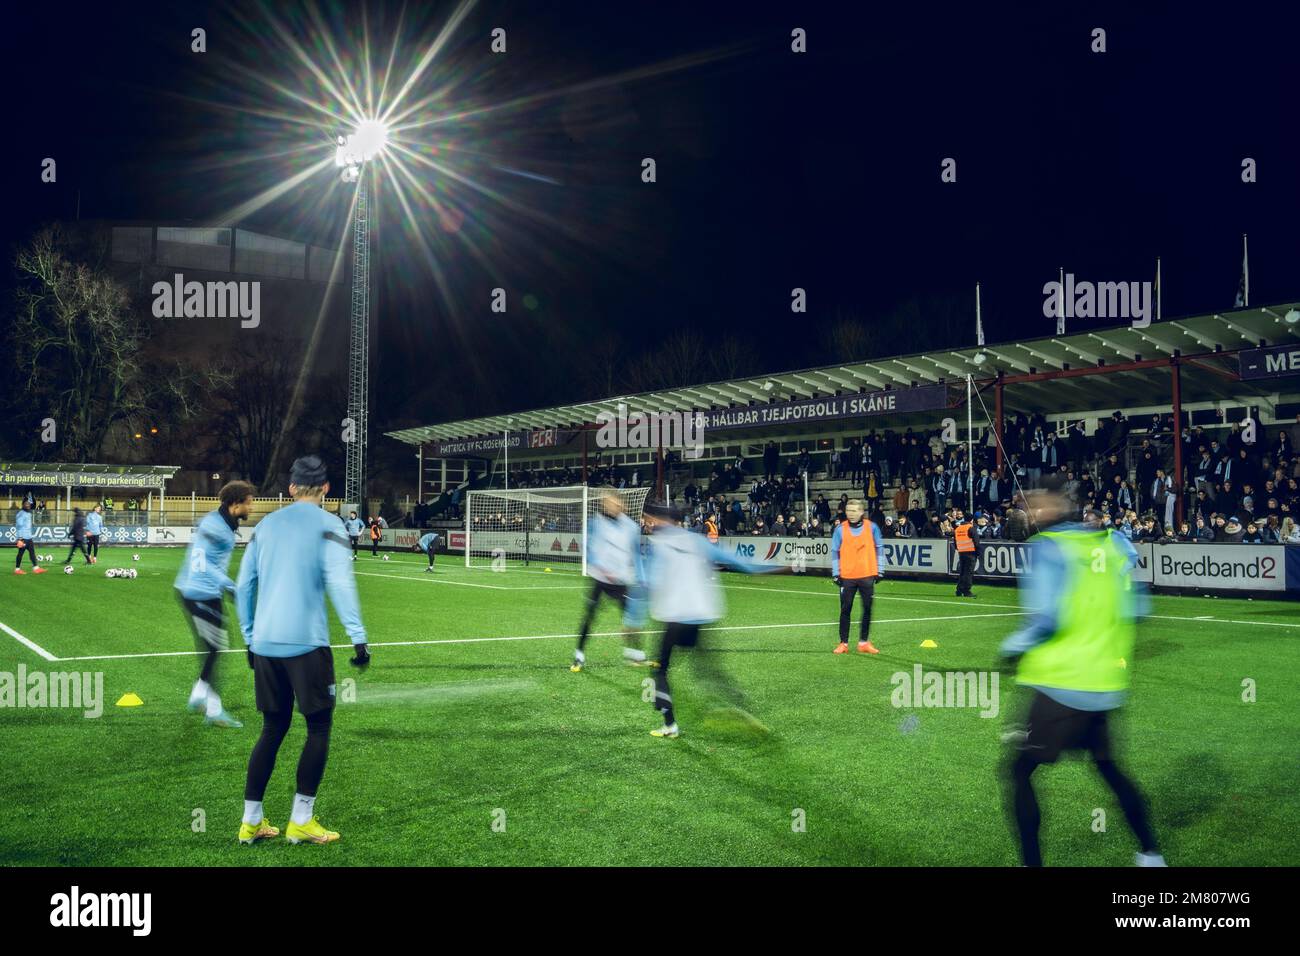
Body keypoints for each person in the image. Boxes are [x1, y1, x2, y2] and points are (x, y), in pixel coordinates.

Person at [999, 493, 1164, 867]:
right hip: (1105, 684)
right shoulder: (1111, 543)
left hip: (1061, 682)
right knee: (1108, 767)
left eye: (1036, 505)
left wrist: (1012, 646)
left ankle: (1032, 863)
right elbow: (1138, 607)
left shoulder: (1049, 547)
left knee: (1019, 770)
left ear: (1052, 508)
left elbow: (1047, 618)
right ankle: (1151, 854)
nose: (1031, 512)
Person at [235, 456, 369, 846]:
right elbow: (341, 583)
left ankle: (250, 822)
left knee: (272, 728)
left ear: (291, 489)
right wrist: (358, 637)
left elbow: (244, 585)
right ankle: (301, 820)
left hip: (264, 644)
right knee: (319, 727)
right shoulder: (331, 524)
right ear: (326, 489)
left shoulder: (267, 524)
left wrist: (249, 637)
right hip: (307, 645)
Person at [640, 502, 777, 738]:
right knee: (708, 670)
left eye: (653, 519)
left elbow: (648, 582)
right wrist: (762, 570)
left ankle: (669, 725)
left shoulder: (659, 545)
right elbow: (732, 560)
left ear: (666, 521)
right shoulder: (697, 540)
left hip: (675, 617)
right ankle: (742, 708)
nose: (650, 523)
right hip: (701, 616)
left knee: (660, 670)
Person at [175, 481, 257, 728]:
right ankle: (213, 709)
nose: (251, 508)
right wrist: (230, 586)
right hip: (197, 594)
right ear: (235, 504)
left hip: (207, 593)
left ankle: (199, 696)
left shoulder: (221, 522)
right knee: (214, 649)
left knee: (215, 648)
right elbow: (202, 562)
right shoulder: (216, 526)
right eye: (249, 503)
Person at [572, 493, 647, 671]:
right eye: (606, 503)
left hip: (621, 580)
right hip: (600, 578)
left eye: (613, 502)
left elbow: (636, 553)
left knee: (630, 617)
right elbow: (587, 546)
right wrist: (598, 564)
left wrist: (642, 577)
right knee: (590, 616)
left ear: (621, 504)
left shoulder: (632, 527)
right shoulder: (596, 522)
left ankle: (633, 653)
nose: (609, 505)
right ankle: (579, 654)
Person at [830, 499, 885, 655]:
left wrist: (880, 570)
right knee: (845, 609)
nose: (851, 514)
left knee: (867, 608)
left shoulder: (872, 527)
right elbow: (835, 551)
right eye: (848, 510)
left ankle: (863, 642)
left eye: (854, 511)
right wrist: (836, 572)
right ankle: (843, 643)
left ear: (861, 512)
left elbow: (879, 548)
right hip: (847, 577)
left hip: (867, 575)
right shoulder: (840, 530)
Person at [12, 500, 45, 575]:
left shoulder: (28, 513)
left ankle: (36, 568)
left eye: (29, 504)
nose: (28, 505)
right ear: (22, 505)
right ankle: (17, 569)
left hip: (29, 538)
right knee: (20, 553)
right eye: (26, 504)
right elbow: (19, 526)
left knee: (32, 553)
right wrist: (20, 539)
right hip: (23, 538)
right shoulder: (21, 514)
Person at [952, 511, 980, 597]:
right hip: (971, 553)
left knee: (963, 572)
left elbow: (955, 542)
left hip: (961, 552)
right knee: (968, 572)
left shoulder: (958, 529)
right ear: (971, 520)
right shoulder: (971, 528)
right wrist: (978, 552)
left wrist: (959, 548)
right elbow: (976, 542)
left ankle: (959, 589)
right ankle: (966, 590)